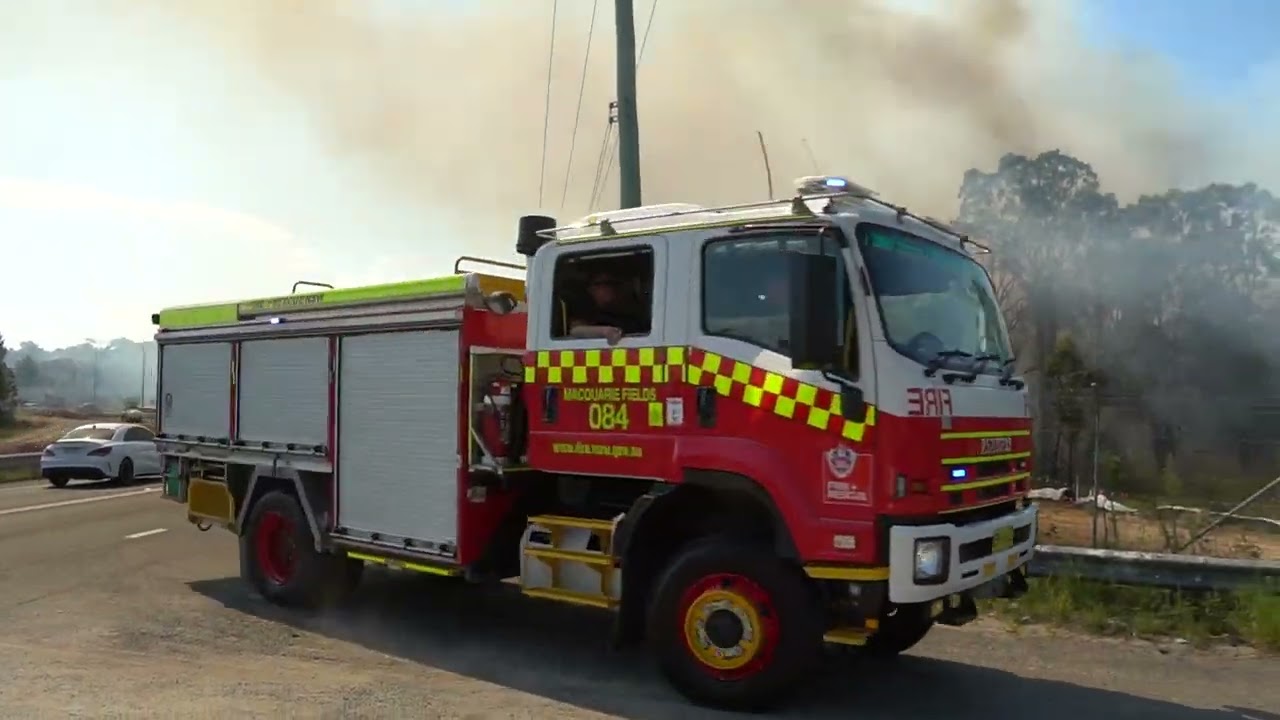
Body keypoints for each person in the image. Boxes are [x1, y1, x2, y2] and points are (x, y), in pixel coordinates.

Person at [567, 270, 646, 345]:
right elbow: (575, 331)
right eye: (604, 284)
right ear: (590, 289)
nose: (610, 288)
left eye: (614, 284)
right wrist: (605, 331)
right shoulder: (588, 311)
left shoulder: (631, 312)